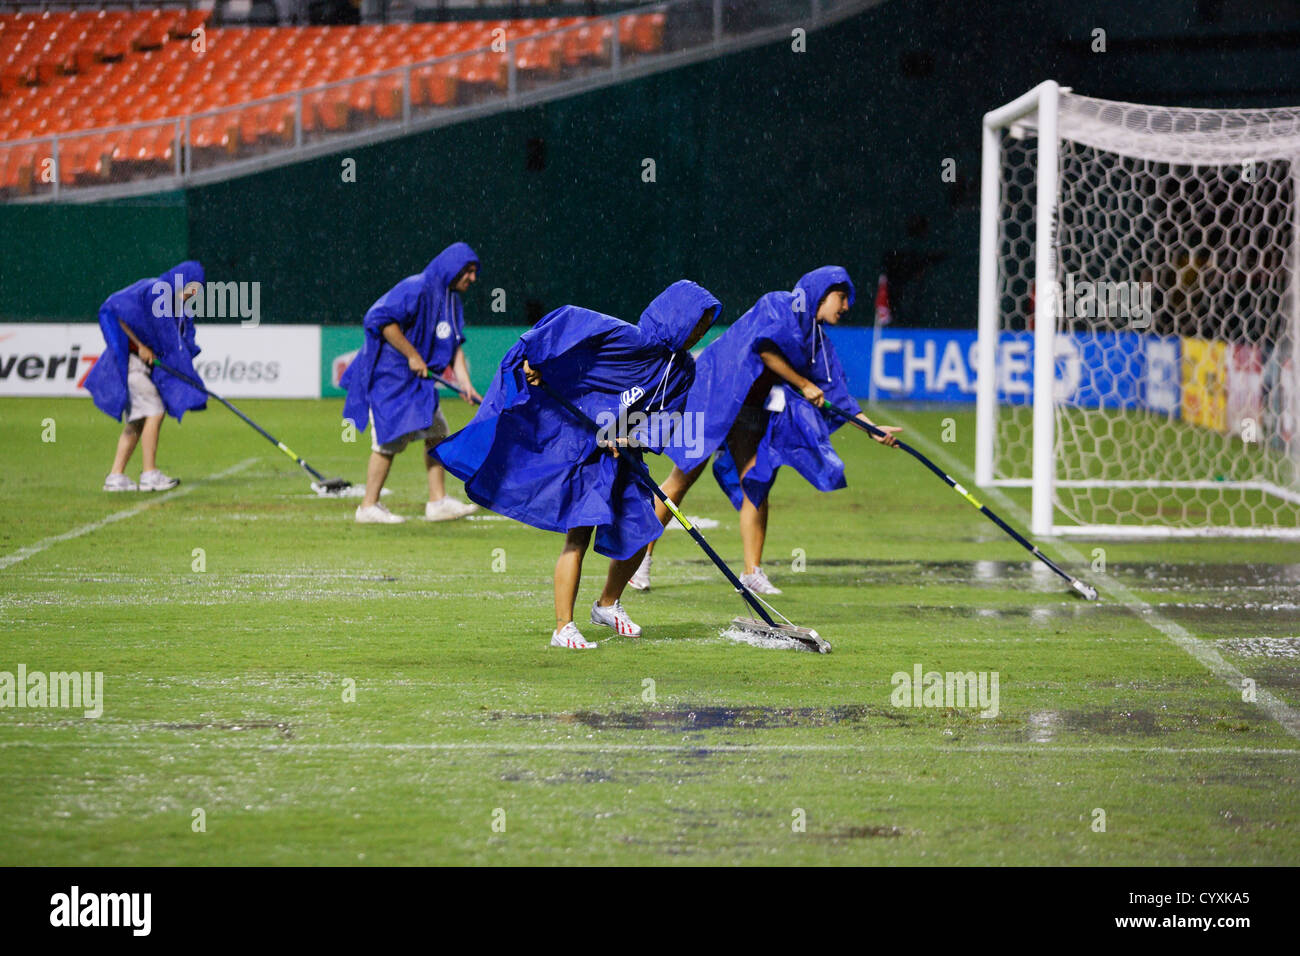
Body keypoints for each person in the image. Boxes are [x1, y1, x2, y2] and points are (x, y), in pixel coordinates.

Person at [435, 280, 721, 649]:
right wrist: (534, 362)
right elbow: (567, 325)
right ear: (679, 317)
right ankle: (562, 627)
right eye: (697, 323)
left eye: (706, 326)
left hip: (626, 457)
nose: (700, 332)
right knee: (580, 534)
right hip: (586, 454)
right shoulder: (624, 338)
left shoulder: (683, 369)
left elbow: (668, 417)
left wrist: (631, 438)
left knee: (643, 529)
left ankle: (607, 603)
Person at [630, 266, 900, 594]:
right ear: (822, 292)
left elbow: (837, 391)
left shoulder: (817, 341)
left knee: (756, 482)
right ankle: (638, 563)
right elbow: (764, 349)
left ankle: (751, 572)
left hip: (749, 409)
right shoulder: (779, 305)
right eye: (841, 298)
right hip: (715, 395)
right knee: (680, 480)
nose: (845, 306)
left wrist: (870, 428)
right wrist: (802, 383)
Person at [341, 242, 483, 523]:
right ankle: (368, 507)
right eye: (468, 271)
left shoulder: (451, 300)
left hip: (418, 382)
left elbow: (454, 346)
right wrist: (413, 355)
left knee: (437, 431)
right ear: (452, 267)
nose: (473, 279)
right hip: (390, 378)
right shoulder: (415, 287)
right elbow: (380, 319)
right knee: (389, 440)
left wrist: (466, 383)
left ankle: (437, 501)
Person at [84, 261, 209, 492]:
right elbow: (116, 310)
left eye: (198, 290)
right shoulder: (154, 290)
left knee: (138, 420)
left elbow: (179, 345)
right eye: (193, 287)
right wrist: (141, 345)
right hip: (132, 364)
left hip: (141, 367)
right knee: (155, 410)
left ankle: (115, 477)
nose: (194, 293)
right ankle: (150, 474)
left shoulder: (178, 308)